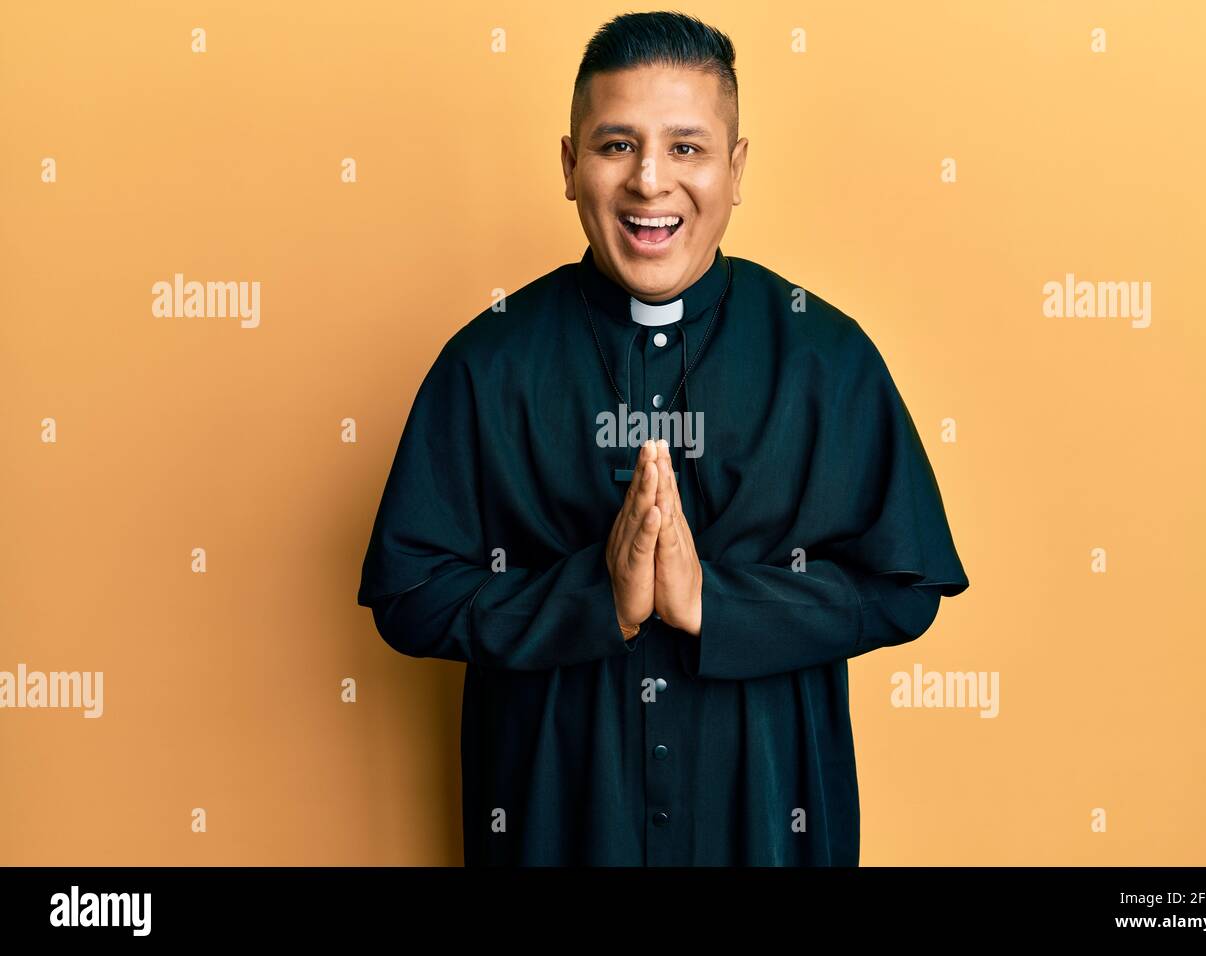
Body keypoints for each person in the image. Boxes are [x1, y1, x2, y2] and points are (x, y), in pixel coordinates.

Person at [357, 10, 969, 866]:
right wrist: (592, 599)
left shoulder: (825, 357)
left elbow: (906, 586)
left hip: (767, 823)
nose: (651, 182)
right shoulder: (488, 361)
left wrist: (712, 604)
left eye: (687, 147)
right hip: (556, 822)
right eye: (616, 145)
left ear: (736, 167)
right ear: (570, 166)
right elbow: (409, 595)